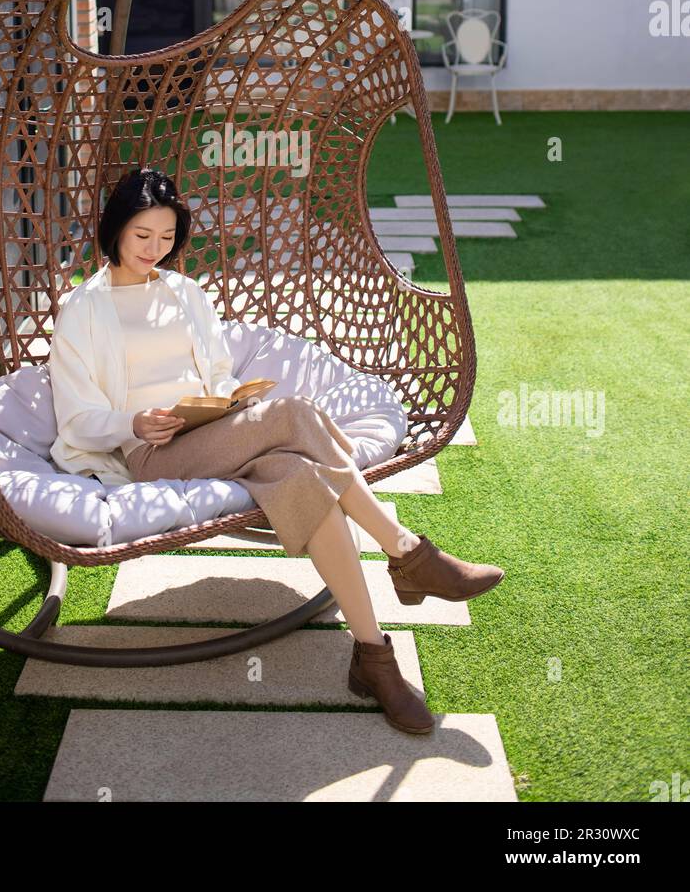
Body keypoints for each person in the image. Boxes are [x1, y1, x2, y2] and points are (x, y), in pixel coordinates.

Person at [49, 166, 504, 735]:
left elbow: (215, 371)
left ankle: (373, 657)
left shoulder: (185, 292)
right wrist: (134, 421)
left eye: (167, 239)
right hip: (150, 454)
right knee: (293, 414)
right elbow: (76, 418)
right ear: (114, 229)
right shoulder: (83, 308)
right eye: (143, 236)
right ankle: (408, 554)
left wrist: (220, 403)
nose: (155, 250)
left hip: (210, 431)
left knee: (299, 476)